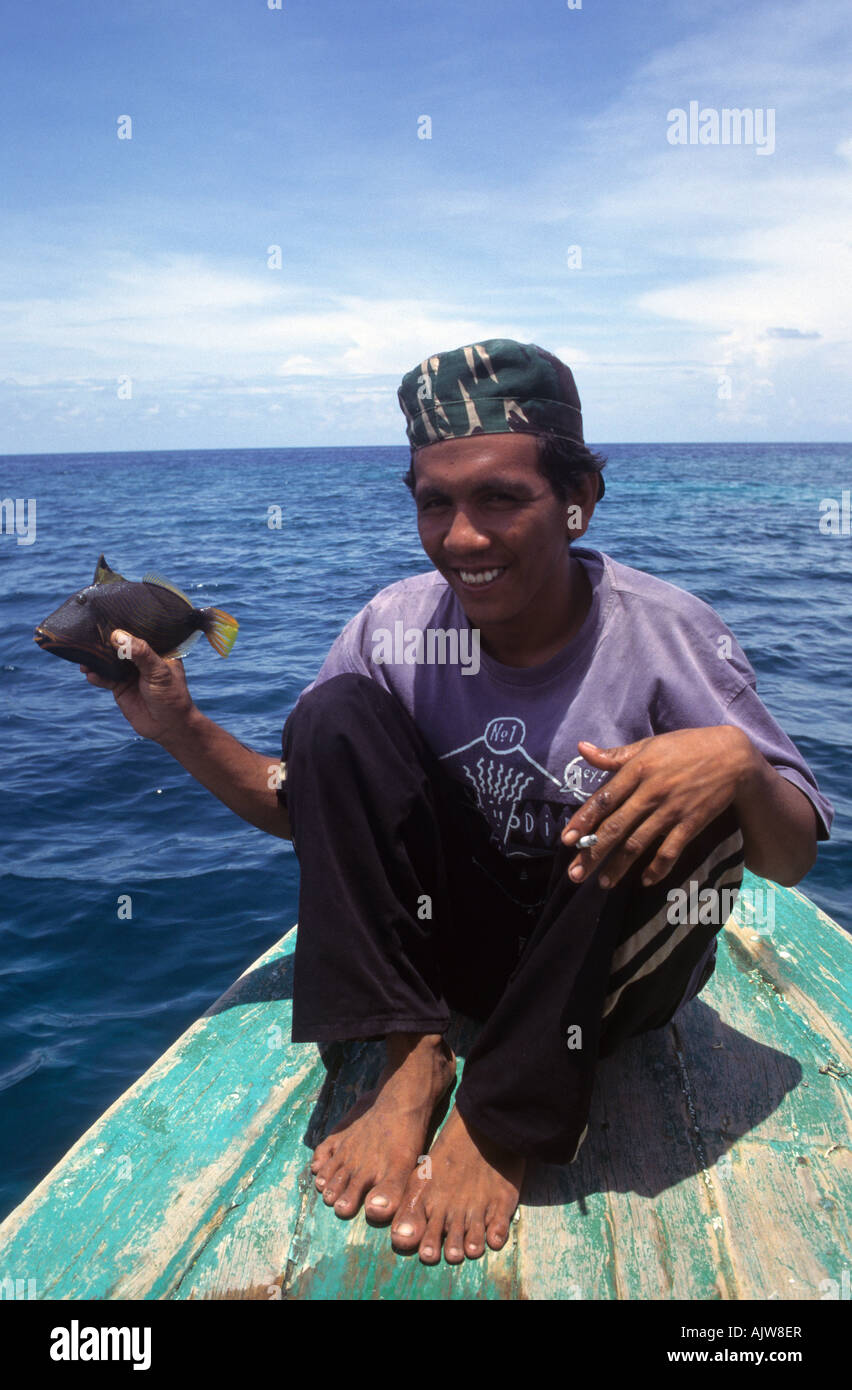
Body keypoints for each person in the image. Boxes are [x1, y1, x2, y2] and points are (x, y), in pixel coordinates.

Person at [82, 338, 834, 1268]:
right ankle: (411, 1056)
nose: (463, 538)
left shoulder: (666, 631)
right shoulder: (393, 628)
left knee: (709, 785)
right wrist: (179, 727)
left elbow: (788, 858)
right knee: (331, 718)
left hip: (605, 976)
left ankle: (502, 1117)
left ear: (576, 503)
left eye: (501, 499)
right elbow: (309, 807)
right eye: (435, 503)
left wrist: (733, 762)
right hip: (453, 961)